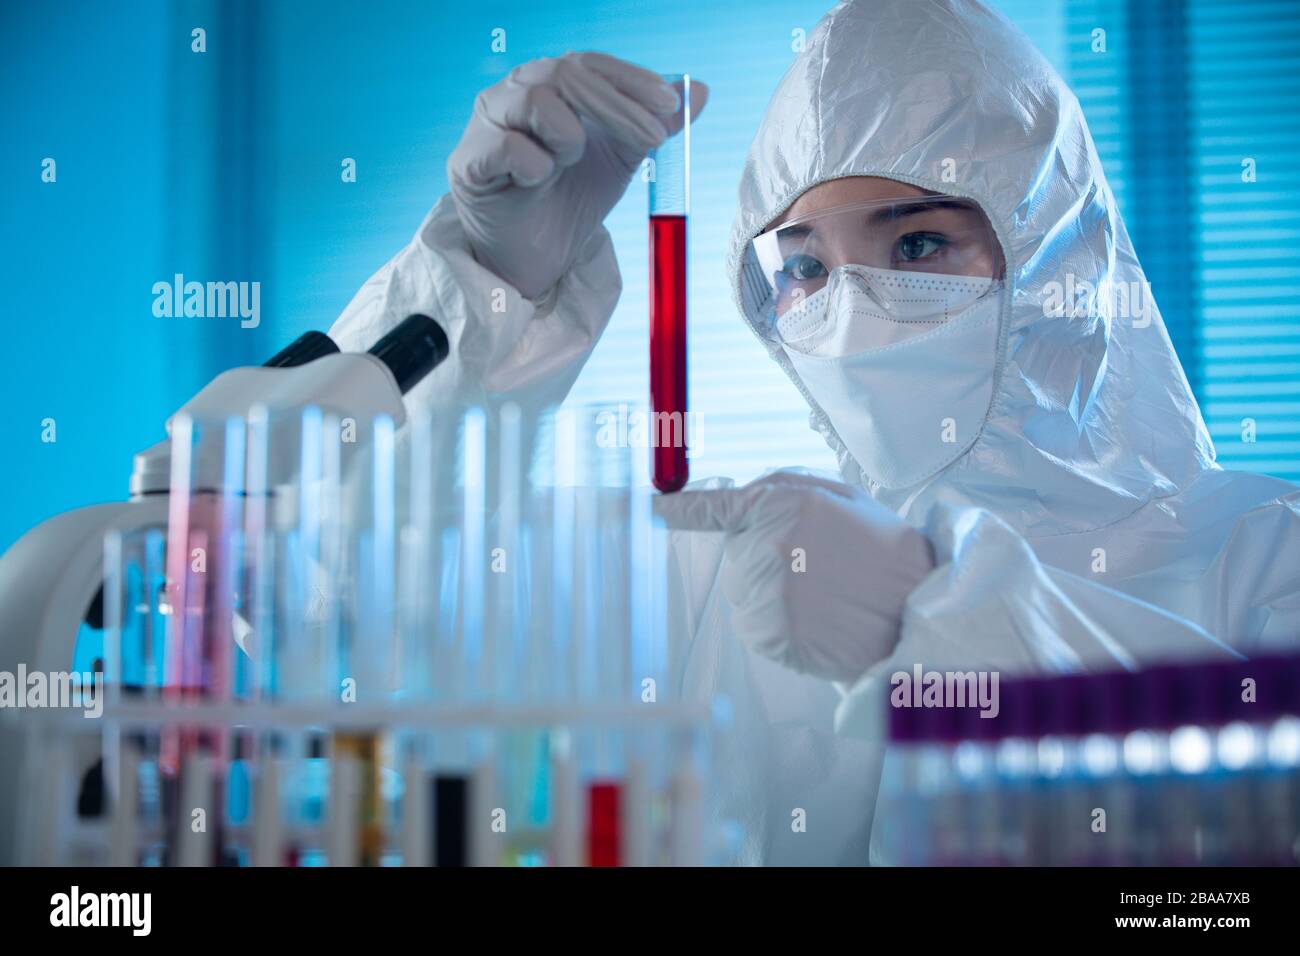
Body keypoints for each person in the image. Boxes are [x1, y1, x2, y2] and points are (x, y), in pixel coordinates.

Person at [329, 1, 1300, 864]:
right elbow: (345, 606)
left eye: (915, 244)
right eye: (802, 270)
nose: (845, 314)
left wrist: (954, 618)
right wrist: (483, 297)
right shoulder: (739, 559)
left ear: (1060, 260)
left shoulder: (1261, 550)